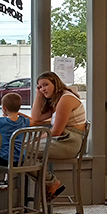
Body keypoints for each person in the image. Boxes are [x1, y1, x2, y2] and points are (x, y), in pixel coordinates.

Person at [30, 71, 86, 200]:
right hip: (63, 139)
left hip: (69, 141)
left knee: (21, 151)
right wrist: (38, 94)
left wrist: (35, 140)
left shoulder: (66, 99)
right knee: (21, 152)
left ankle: (51, 182)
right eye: (40, 86)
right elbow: (36, 117)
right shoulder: (58, 99)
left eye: (45, 85)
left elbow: (56, 131)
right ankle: (49, 183)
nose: (43, 89)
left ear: (56, 83)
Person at [0, 91, 30, 168]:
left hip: (4, 159)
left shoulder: (1, 122)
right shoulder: (23, 121)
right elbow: (33, 120)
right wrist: (18, 113)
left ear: (4, 108)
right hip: (21, 159)